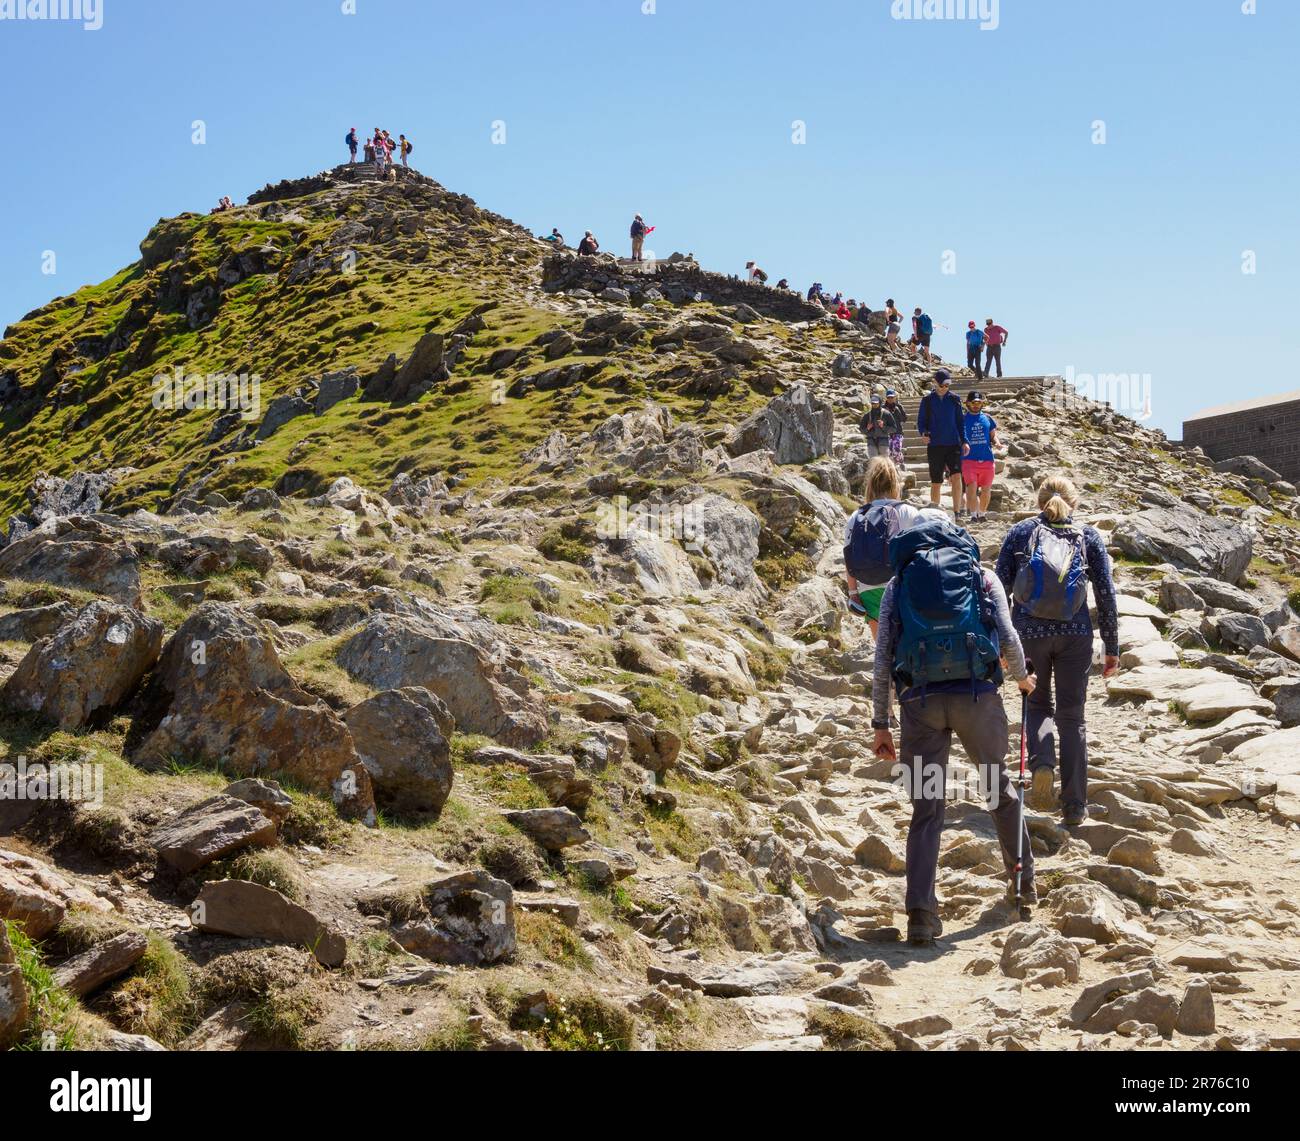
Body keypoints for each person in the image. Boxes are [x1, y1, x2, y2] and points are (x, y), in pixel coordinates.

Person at [872, 513, 1037, 945]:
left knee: (927, 808)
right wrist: (1021, 676)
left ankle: (921, 916)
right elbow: (1006, 634)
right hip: (976, 698)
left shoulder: (899, 583)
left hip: (919, 704)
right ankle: (1023, 886)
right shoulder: (980, 577)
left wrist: (881, 722)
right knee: (997, 788)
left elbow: (883, 655)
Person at [995, 476, 1121, 828]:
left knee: (1037, 705)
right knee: (1072, 716)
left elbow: (996, 590)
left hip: (1029, 633)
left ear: (1039, 502)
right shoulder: (1089, 536)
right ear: (1074, 502)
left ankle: (1042, 764)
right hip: (1075, 635)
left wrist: (1001, 644)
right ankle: (1075, 806)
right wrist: (1112, 646)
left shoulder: (1020, 533)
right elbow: (1106, 594)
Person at [843, 457, 920, 637]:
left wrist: (853, 593)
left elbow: (848, 558)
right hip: (901, 586)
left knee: (882, 650)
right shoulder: (908, 512)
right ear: (896, 484)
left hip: (868, 588)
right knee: (906, 643)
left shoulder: (856, 516)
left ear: (870, 485)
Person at [917, 371, 965, 514]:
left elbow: (960, 423)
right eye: (942, 384)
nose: (945, 387)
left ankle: (957, 512)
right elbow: (921, 422)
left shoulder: (955, 399)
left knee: (957, 476)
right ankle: (935, 513)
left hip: (953, 444)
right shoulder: (927, 400)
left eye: (947, 385)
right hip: (935, 445)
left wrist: (965, 441)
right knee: (936, 481)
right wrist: (923, 433)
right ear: (935, 383)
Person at [961, 392, 999, 521]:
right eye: (973, 402)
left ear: (982, 403)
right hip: (968, 459)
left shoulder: (987, 418)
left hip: (987, 459)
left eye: (978, 402)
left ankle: (982, 514)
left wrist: (997, 443)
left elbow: (993, 435)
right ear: (967, 403)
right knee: (971, 488)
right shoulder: (962, 419)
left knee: (986, 490)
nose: (976, 405)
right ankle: (973, 515)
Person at [861, 394, 892, 459]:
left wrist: (883, 426)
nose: (874, 405)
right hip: (871, 441)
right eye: (873, 403)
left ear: (880, 403)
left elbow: (894, 429)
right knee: (873, 461)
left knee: (885, 462)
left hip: (883, 441)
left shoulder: (887, 414)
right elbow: (861, 429)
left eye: (876, 403)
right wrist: (867, 428)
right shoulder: (867, 416)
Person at [883, 388, 907, 471]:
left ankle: (900, 463)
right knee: (889, 451)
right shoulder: (883, 408)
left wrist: (897, 411)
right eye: (889, 397)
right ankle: (893, 467)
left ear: (895, 397)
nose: (890, 399)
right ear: (886, 398)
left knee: (896, 449)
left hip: (898, 432)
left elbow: (904, 419)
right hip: (887, 433)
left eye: (892, 397)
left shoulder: (899, 406)